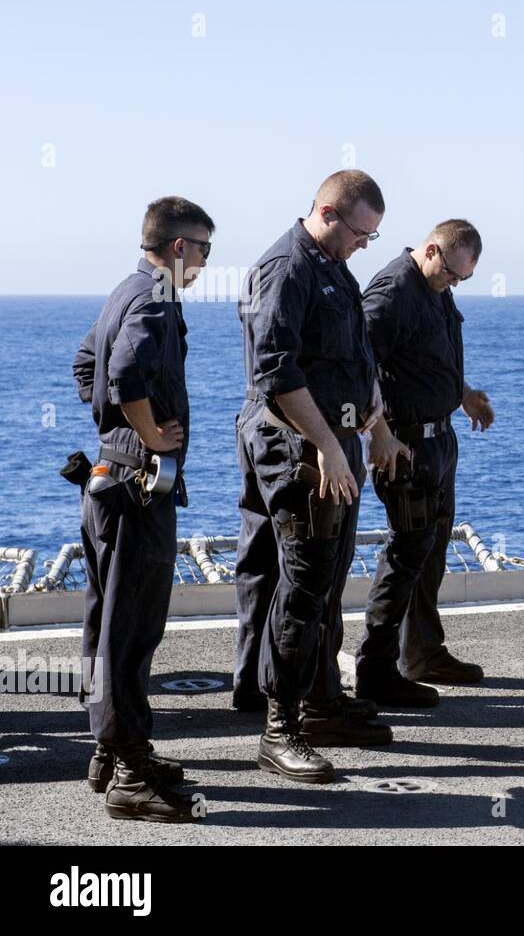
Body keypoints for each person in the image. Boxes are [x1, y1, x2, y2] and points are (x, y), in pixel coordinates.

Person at [232, 170, 404, 782]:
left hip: (335, 445)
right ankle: (281, 730)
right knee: (303, 587)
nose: (365, 244)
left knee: (328, 583)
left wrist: (376, 425)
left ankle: (323, 703)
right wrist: (328, 444)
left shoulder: (334, 269)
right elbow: (275, 374)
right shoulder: (283, 269)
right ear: (329, 212)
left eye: (372, 236)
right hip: (298, 449)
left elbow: (356, 358)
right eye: (361, 232)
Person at [71, 196, 213, 821]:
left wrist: (113, 429)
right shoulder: (154, 297)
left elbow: (86, 364)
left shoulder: (124, 290)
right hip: (137, 488)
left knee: (106, 625)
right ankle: (131, 773)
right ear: (179, 246)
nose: (207, 263)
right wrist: (149, 434)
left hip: (108, 478)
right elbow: (124, 372)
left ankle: (110, 753)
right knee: (131, 631)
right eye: (204, 249)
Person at [353, 219, 492, 706]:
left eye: (463, 280)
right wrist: (379, 433)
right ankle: (376, 669)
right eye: (451, 274)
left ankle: (423, 653)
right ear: (431, 250)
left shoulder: (434, 288)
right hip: (405, 446)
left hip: (439, 440)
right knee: (405, 554)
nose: (453, 284)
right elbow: (359, 366)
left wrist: (463, 393)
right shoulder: (392, 294)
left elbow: (427, 359)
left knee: (430, 552)